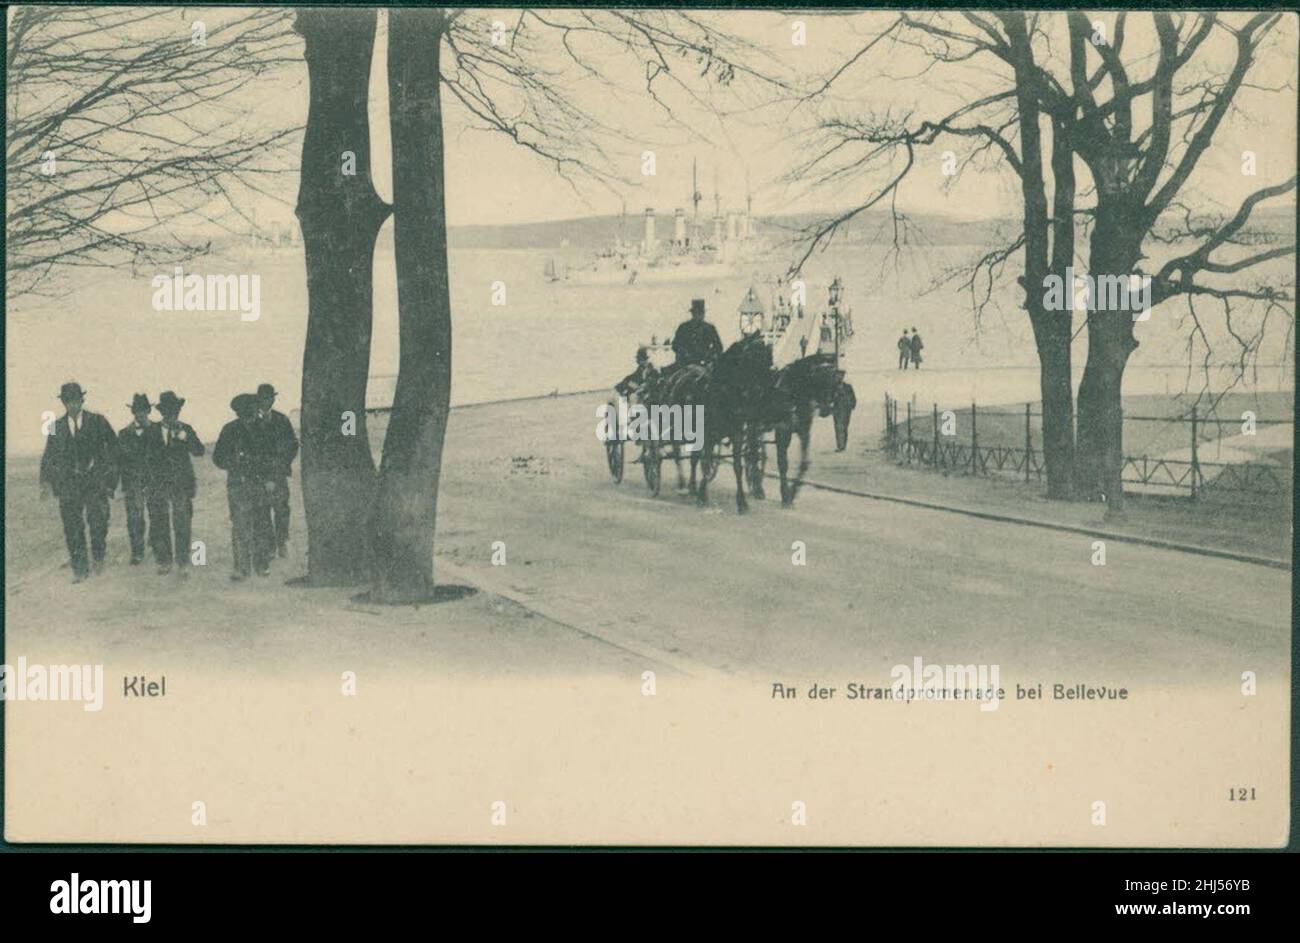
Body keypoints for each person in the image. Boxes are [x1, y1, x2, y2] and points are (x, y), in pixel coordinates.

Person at [40, 382, 117, 582]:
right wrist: (45, 483)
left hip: (94, 481)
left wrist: (110, 478)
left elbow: (114, 449)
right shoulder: (56, 427)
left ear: (82, 400)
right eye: (68, 401)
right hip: (68, 484)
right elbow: (48, 456)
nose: (72, 405)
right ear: (64, 403)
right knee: (72, 527)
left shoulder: (98, 421)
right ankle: (80, 568)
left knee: (98, 522)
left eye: (75, 400)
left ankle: (98, 556)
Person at [213, 393, 275, 580]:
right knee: (240, 526)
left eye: (254, 408)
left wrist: (271, 479)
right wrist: (234, 461)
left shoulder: (264, 428)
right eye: (249, 409)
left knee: (262, 524)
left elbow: (273, 456)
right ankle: (241, 568)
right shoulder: (229, 430)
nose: (254, 412)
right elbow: (218, 458)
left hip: (261, 484)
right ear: (240, 412)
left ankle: (262, 564)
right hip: (238, 485)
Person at [147, 391, 205, 577]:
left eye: (176, 411)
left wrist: (185, 437)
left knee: (182, 522)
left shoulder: (186, 429)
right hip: (158, 484)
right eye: (169, 411)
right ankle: (164, 561)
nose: (173, 415)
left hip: (181, 484)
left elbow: (200, 451)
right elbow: (144, 457)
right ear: (162, 412)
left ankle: (182, 562)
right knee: (159, 522)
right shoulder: (152, 431)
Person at [255, 382, 299, 558]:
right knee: (262, 511)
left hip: (279, 474)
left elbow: (293, 445)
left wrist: (282, 465)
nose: (268, 401)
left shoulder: (282, 420)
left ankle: (282, 542)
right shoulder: (251, 421)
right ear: (258, 400)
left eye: (270, 398)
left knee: (281, 509)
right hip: (259, 476)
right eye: (264, 398)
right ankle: (269, 546)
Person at [117, 394, 157, 565]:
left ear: (148, 411)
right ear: (133, 412)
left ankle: (156, 544)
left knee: (156, 514)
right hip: (133, 481)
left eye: (144, 411)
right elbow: (120, 460)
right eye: (137, 411)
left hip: (155, 480)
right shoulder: (124, 433)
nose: (140, 414)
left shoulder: (157, 430)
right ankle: (137, 551)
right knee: (134, 517)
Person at [670, 298, 723, 368]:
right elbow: (675, 345)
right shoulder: (683, 327)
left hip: (705, 364)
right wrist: (684, 353)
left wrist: (710, 355)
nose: (699, 316)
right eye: (696, 313)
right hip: (685, 364)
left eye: (701, 313)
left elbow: (719, 347)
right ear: (693, 314)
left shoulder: (710, 328)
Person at [832, 380, 857, 452]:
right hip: (837, 410)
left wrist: (853, 405)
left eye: (841, 375)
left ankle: (843, 445)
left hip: (846, 410)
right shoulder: (833, 387)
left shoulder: (848, 387)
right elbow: (830, 398)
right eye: (838, 375)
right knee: (838, 427)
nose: (839, 377)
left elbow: (853, 396)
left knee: (845, 427)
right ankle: (840, 446)